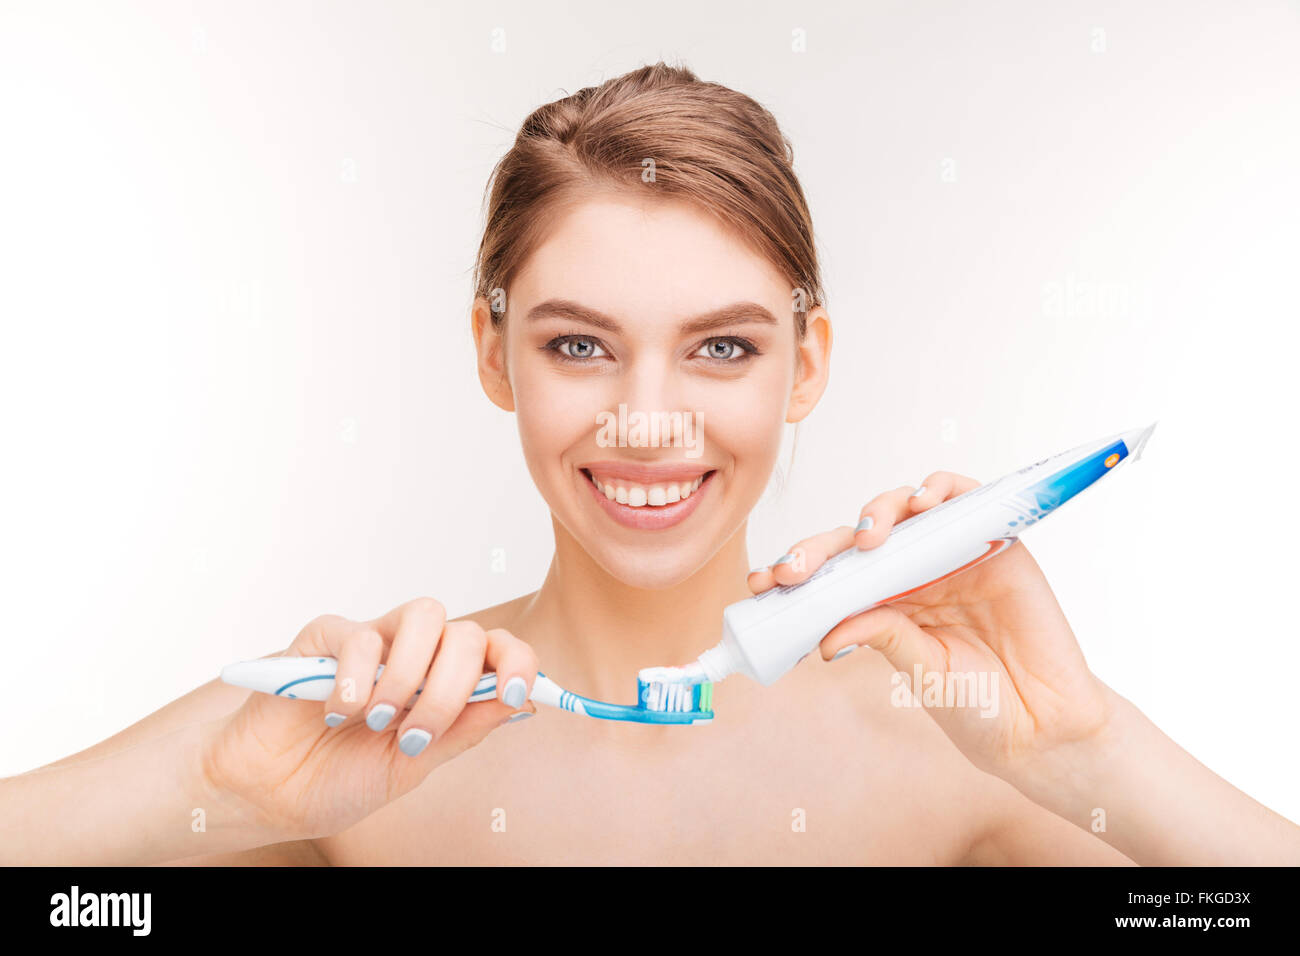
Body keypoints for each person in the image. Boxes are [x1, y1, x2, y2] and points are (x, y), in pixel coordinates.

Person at [5, 62, 1296, 866]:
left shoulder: (953, 764)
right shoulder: (345, 747)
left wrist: (1088, 753)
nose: (647, 420)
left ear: (806, 364)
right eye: (581, 345)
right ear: (495, 353)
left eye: (722, 350)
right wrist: (205, 793)